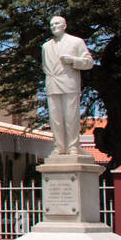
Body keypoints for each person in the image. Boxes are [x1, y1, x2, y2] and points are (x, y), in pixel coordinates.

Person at [41, 15, 93, 156]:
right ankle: (59, 146)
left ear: (64, 25)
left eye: (57, 23)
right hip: (52, 85)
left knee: (71, 117)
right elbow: (45, 67)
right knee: (55, 119)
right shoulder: (46, 46)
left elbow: (89, 62)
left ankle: (73, 147)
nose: (54, 26)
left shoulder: (76, 42)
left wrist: (73, 60)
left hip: (69, 83)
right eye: (52, 24)